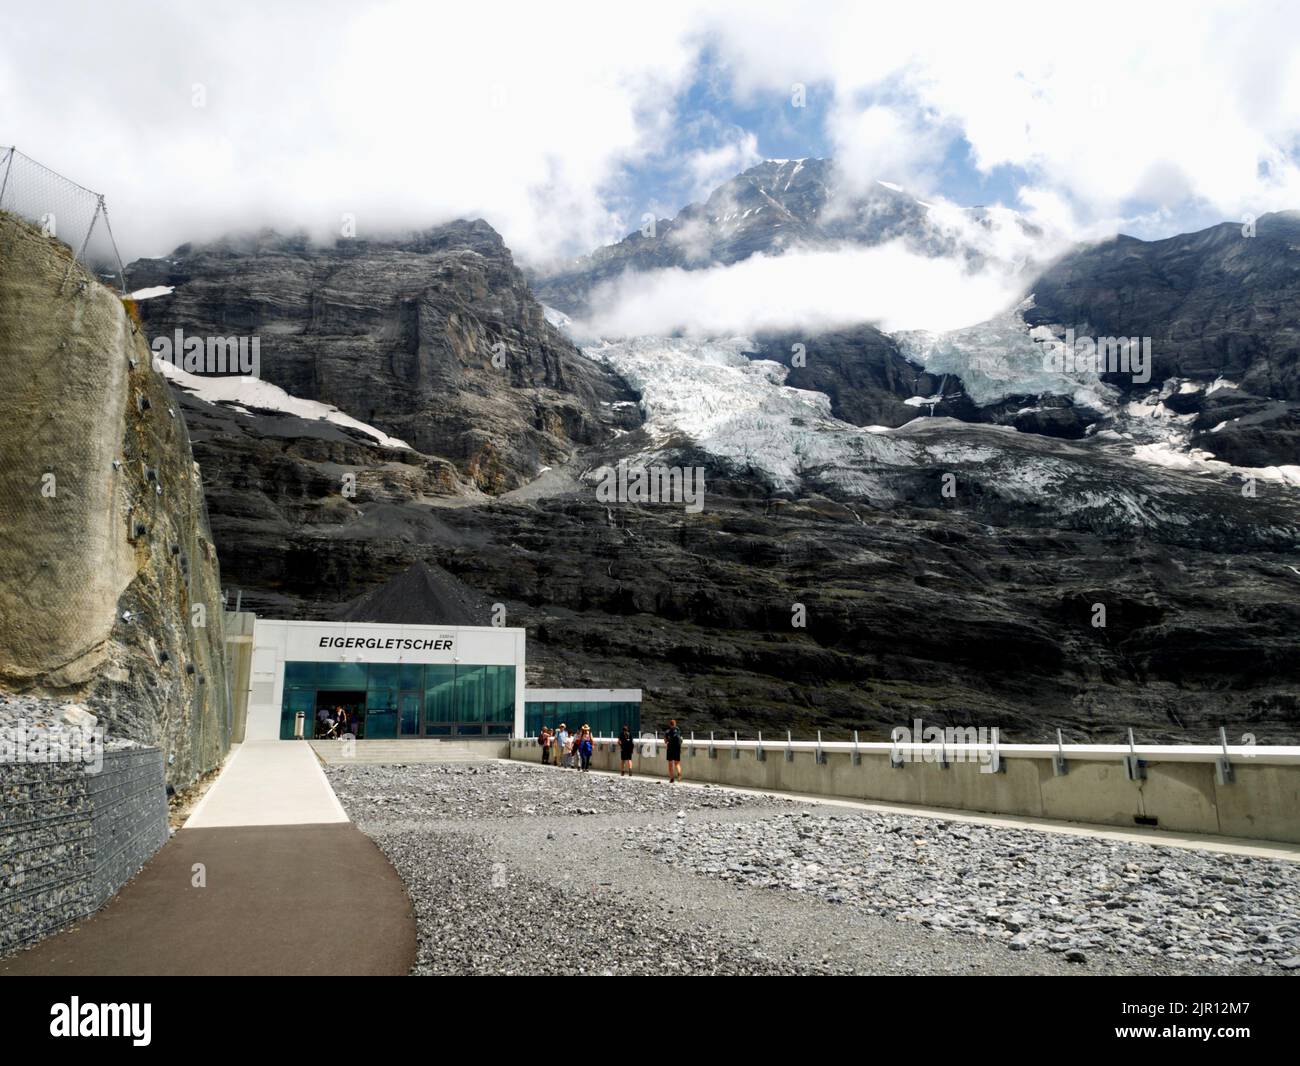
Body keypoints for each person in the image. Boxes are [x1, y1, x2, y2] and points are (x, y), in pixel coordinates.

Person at [664, 719, 683, 783]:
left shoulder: (667, 731)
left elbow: (665, 741)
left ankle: (672, 778)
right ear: (675, 724)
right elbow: (681, 739)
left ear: (670, 724)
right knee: (677, 763)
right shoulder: (678, 730)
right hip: (677, 748)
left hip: (670, 748)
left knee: (670, 764)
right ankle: (679, 773)